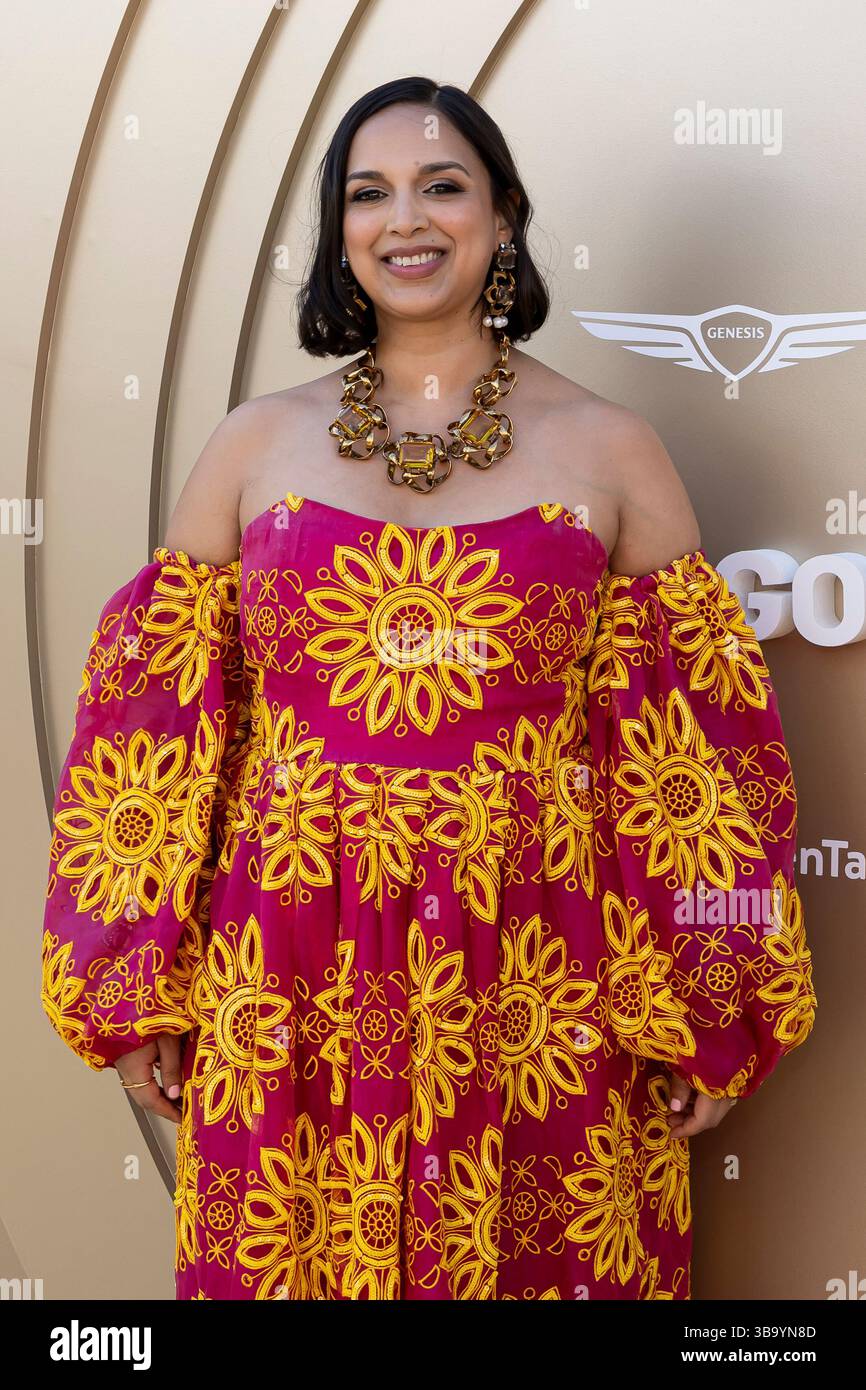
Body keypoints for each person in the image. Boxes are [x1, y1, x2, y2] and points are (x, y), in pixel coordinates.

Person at [40, 76, 816, 1301]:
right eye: (369, 191)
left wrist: (711, 995)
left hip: (543, 969)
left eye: (441, 185)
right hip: (288, 965)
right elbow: (148, 739)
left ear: (502, 216)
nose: (405, 217)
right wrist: (134, 979)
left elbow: (694, 761)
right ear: (340, 231)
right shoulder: (253, 443)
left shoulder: (611, 448)